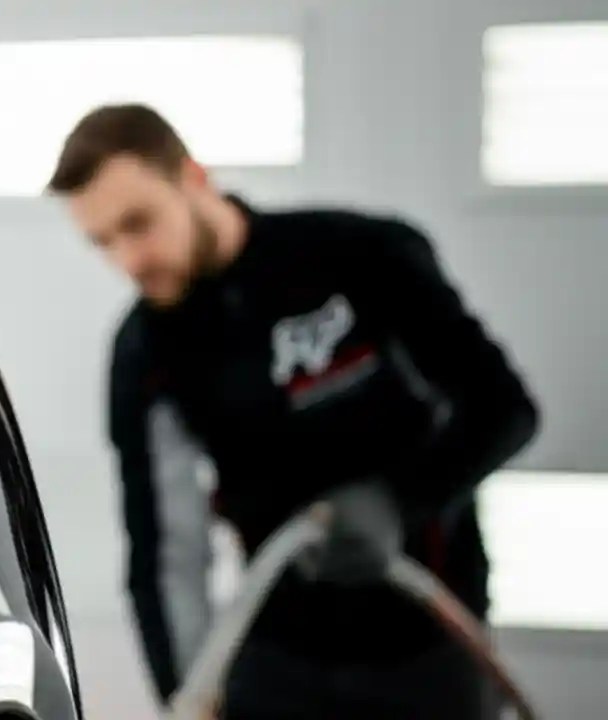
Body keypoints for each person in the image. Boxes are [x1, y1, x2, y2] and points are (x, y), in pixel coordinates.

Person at [44, 103, 540, 719]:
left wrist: (397, 501)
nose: (129, 261)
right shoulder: (148, 350)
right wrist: (187, 692)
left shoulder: (360, 256)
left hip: (429, 646)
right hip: (277, 662)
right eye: (102, 242)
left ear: (194, 178)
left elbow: (505, 408)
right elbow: (166, 548)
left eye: (139, 223)